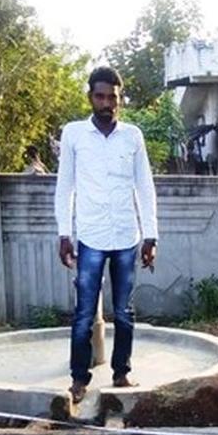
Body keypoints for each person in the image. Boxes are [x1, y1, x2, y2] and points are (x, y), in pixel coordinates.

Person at [54, 65, 158, 404]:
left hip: (126, 236)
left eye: (112, 97)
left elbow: (145, 186)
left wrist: (151, 236)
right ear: (90, 97)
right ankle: (78, 379)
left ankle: (121, 372)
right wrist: (64, 234)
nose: (106, 103)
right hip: (91, 236)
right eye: (100, 96)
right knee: (84, 313)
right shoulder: (74, 134)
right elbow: (65, 187)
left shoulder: (132, 136)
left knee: (124, 312)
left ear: (119, 99)